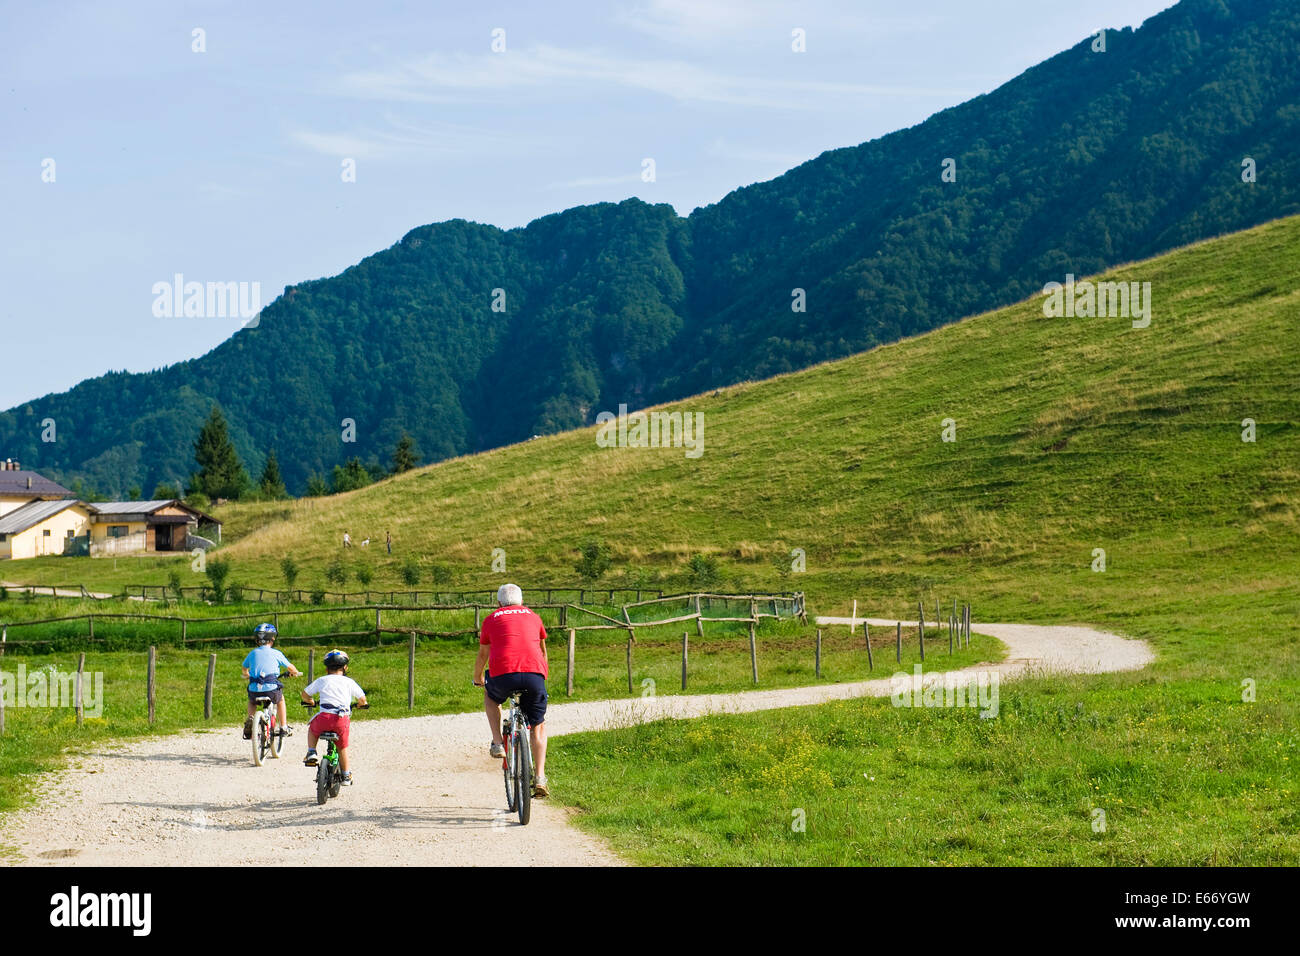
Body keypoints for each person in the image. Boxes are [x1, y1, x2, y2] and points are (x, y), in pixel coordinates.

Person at [472, 583, 550, 797]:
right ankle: (540, 777)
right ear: (522, 601)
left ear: (498, 603)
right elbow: (543, 651)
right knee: (538, 726)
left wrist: (478, 678)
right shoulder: (534, 617)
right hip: (534, 675)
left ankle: (497, 742)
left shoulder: (491, 619)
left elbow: (482, 655)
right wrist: (542, 676)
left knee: (490, 697)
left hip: (503, 675)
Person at [301, 649, 368, 785]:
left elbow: (305, 694)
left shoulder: (322, 680)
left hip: (324, 718)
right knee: (342, 747)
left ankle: (312, 752)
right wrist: (361, 705)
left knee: (312, 729)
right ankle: (346, 775)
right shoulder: (349, 682)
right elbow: (362, 699)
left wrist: (311, 701)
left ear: (326, 668)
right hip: (340, 720)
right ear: (345, 667)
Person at [241, 623, 301, 740]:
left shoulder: (252, 653)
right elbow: (290, 667)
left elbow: (244, 668)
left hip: (254, 688)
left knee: (252, 701)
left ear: (257, 639)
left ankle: (251, 718)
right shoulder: (276, 653)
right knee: (280, 699)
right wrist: (295, 673)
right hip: (271, 689)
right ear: (273, 638)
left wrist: (247, 675)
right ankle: (283, 726)